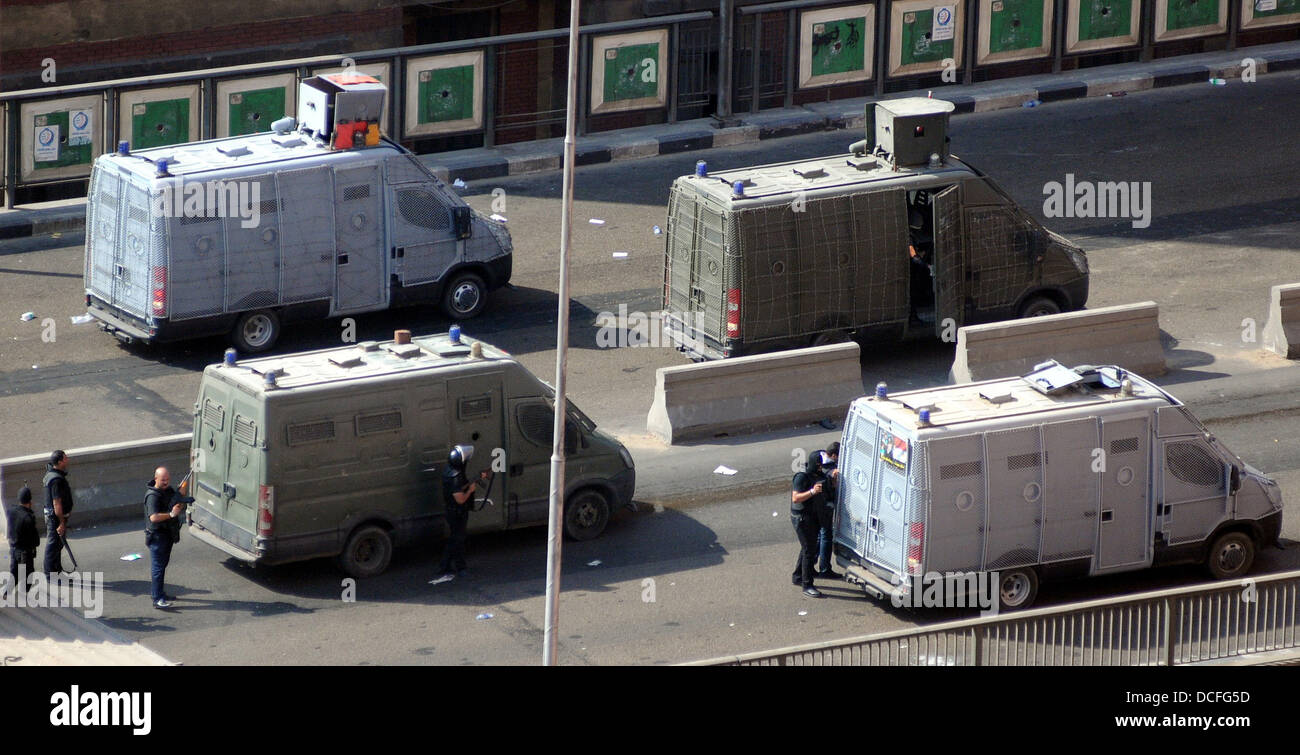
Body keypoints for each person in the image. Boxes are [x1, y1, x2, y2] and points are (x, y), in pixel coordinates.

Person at [437, 445, 489, 580]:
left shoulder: (449, 471)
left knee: (454, 539)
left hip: (451, 511)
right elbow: (460, 499)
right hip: (457, 512)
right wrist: (471, 491)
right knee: (458, 540)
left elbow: (462, 485)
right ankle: (461, 568)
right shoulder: (456, 477)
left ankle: (444, 566)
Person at [144, 467, 192, 609]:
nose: (165, 482)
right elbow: (153, 517)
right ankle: (157, 598)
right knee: (158, 567)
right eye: (163, 480)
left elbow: (177, 502)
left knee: (162, 565)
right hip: (158, 536)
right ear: (156, 478)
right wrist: (171, 515)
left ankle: (159, 593)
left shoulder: (167, 491)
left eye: (167, 479)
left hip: (167, 535)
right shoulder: (152, 496)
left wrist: (181, 496)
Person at [791, 456, 827, 598]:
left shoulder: (817, 474)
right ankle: (807, 584)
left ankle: (798, 576)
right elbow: (796, 498)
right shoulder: (801, 477)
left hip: (812, 516)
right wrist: (812, 491)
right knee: (809, 550)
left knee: (807, 547)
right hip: (801, 518)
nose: (820, 468)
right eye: (818, 465)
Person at [42, 450, 74, 577]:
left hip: (55, 516)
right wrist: (61, 522)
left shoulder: (52, 474)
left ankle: (57, 570)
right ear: (60, 461)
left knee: (58, 544)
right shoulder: (56, 480)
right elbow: (57, 503)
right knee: (53, 545)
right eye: (65, 458)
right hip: (55, 518)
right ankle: (50, 574)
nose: (67, 460)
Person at [813, 442, 842, 579]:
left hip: (816, 504)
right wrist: (834, 477)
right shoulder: (828, 469)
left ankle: (810, 563)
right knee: (826, 535)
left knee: (819, 535)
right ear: (834, 455)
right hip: (825, 505)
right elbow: (830, 476)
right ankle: (824, 568)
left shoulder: (817, 456)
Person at [7, 484, 39, 592]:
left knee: (14, 574)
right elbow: (35, 540)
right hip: (25, 553)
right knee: (28, 574)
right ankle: (24, 594)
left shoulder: (11, 511)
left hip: (13, 549)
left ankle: (5, 593)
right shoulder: (28, 518)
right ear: (30, 501)